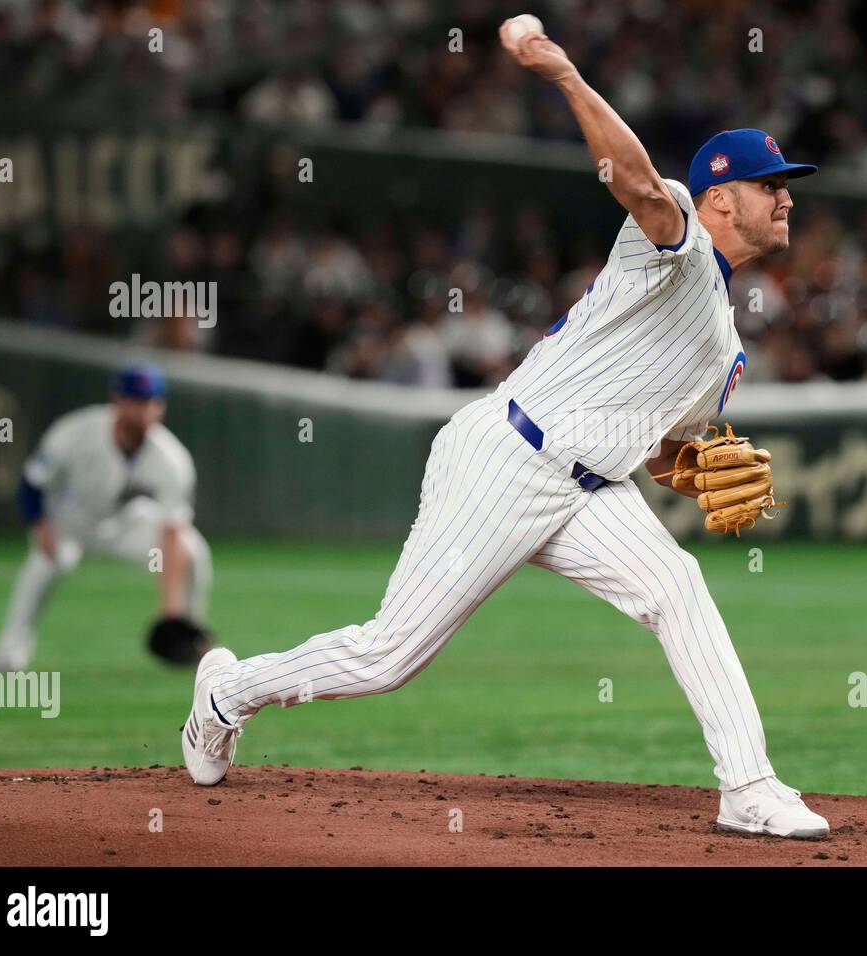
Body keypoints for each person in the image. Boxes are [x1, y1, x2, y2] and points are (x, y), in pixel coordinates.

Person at [182, 22, 830, 839]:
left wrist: (690, 466)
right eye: (773, 184)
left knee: (679, 589)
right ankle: (226, 694)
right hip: (509, 457)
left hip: (592, 488)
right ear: (721, 197)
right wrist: (562, 72)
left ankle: (748, 787)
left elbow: (663, 443)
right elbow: (632, 182)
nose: (788, 198)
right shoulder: (677, 244)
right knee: (389, 657)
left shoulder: (726, 346)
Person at [0, 364, 212, 671]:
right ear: (117, 400)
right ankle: (12, 647)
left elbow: (170, 533)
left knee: (193, 551)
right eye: (136, 399)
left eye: (151, 401)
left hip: (124, 525)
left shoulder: (171, 459)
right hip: (69, 521)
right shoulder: (76, 431)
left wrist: (169, 610)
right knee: (45, 564)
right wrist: (40, 526)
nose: (143, 409)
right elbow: (32, 483)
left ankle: (186, 634)